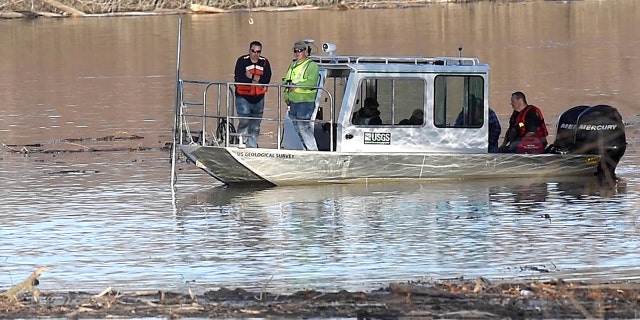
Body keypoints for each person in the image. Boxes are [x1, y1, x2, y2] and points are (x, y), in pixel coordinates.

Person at [233, 41, 272, 148]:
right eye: (253, 51)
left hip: (259, 98)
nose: (255, 54)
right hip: (243, 97)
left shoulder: (264, 62)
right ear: (249, 50)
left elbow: (266, 79)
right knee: (244, 121)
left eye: (258, 51)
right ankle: (241, 143)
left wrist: (252, 77)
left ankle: (252, 146)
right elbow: (239, 77)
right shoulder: (242, 61)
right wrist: (256, 80)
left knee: (255, 125)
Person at [283, 40, 320, 151]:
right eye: (295, 51)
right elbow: (286, 81)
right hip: (293, 102)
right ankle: (306, 149)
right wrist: (286, 96)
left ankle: (313, 150)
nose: (297, 53)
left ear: (306, 51)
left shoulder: (312, 66)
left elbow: (311, 82)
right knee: (297, 127)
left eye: (300, 50)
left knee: (303, 127)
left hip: (305, 102)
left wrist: (297, 86)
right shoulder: (293, 65)